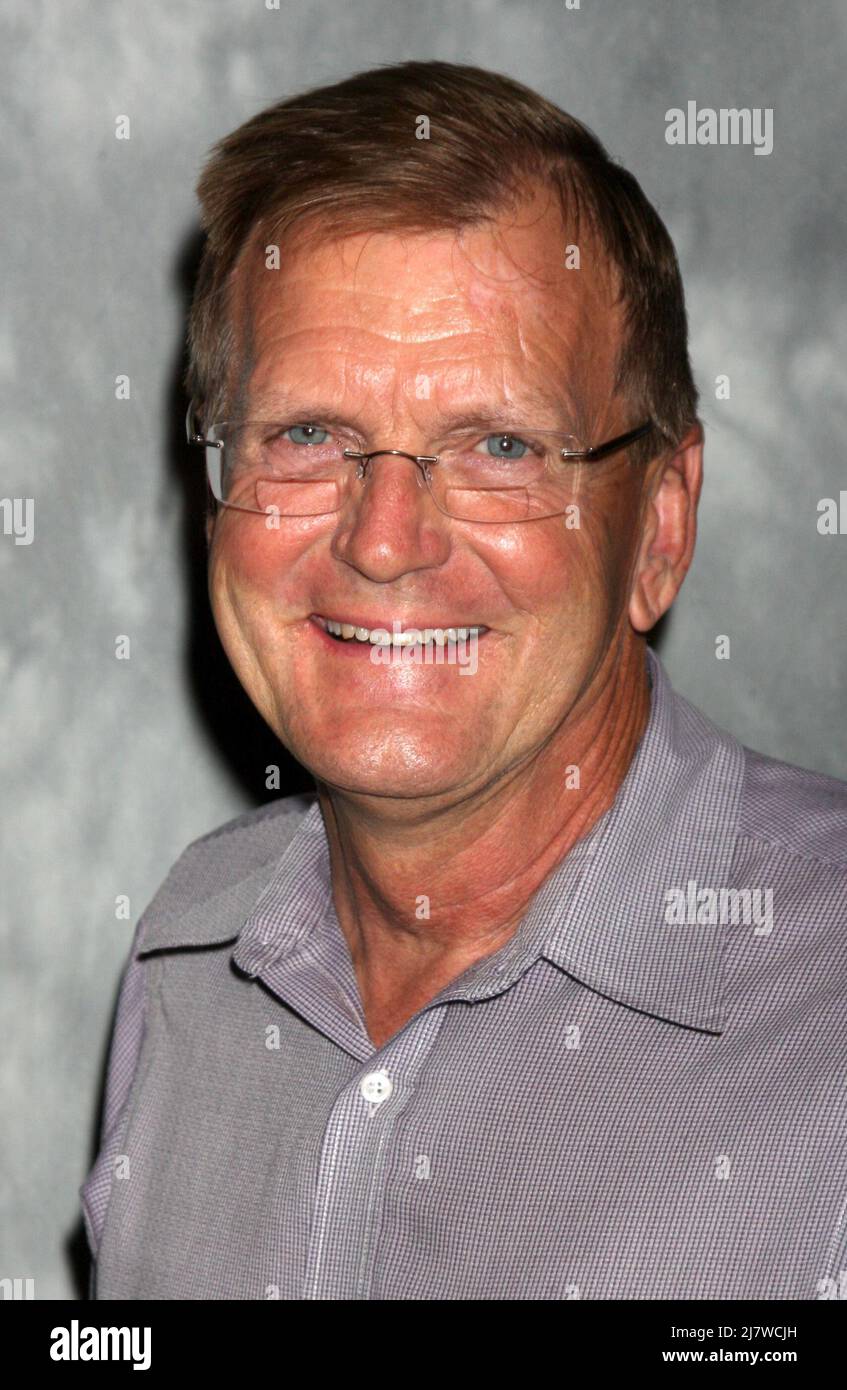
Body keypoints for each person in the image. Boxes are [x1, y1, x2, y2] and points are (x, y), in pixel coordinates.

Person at [80, 59, 847, 1300]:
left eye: (497, 446)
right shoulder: (189, 955)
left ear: (657, 527)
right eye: (308, 436)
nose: (384, 539)